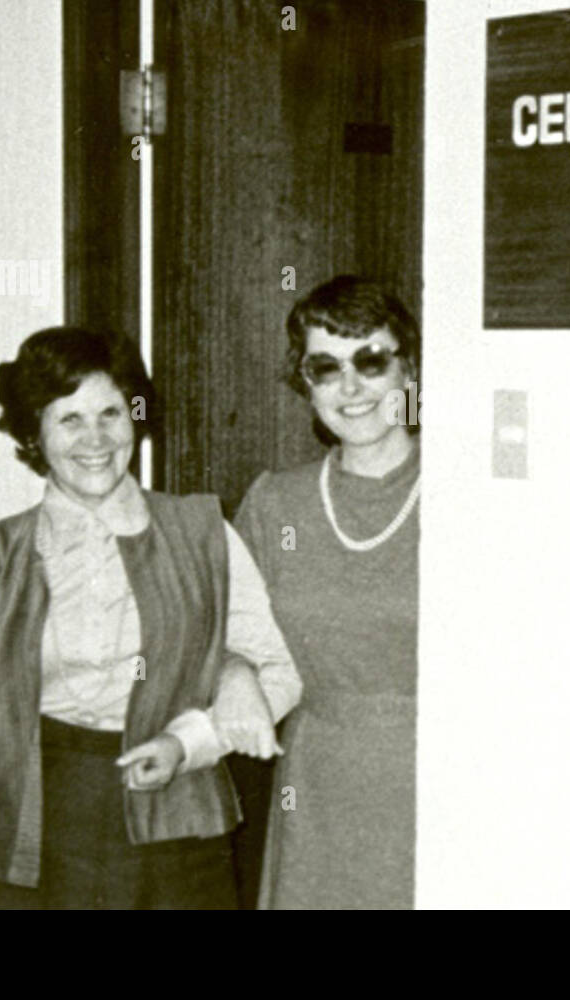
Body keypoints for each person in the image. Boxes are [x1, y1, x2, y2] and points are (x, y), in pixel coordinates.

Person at [0, 327, 300, 910]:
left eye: (110, 413)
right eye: (69, 419)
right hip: (41, 833)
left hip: (180, 834)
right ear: (34, 434)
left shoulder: (203, 532)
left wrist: (192, 738)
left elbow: (279, 672)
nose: (96, 438)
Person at [234, 276, 419, 909]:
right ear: (305, 383)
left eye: (372, 361)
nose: (351, 387)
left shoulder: (473, 490)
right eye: (326, 367)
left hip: (442, 775)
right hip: (317, 791)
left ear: (409, 369)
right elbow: (233, 631)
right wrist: (234, 672)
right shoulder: (275, 502)